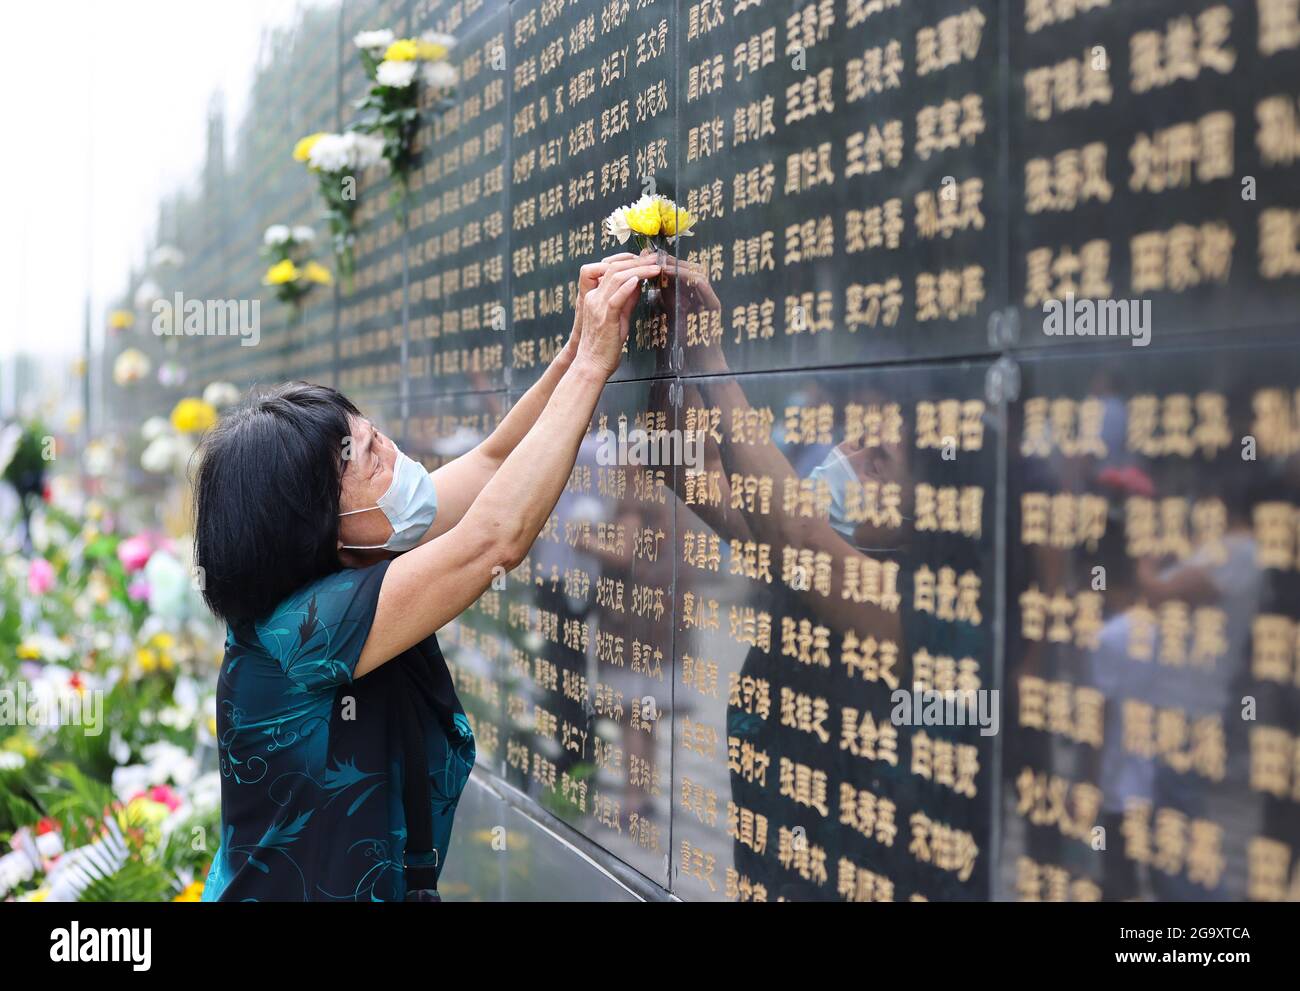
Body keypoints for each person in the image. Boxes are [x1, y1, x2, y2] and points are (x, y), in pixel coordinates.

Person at [196, 253, 661, 901]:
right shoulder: (305, 630)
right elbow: (494, 538)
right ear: (309, 523)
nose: (381, 445)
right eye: (356, 457)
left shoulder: (360, 547)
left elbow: (496, 459)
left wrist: (579, 344)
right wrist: (591, 367)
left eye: (364, 430)